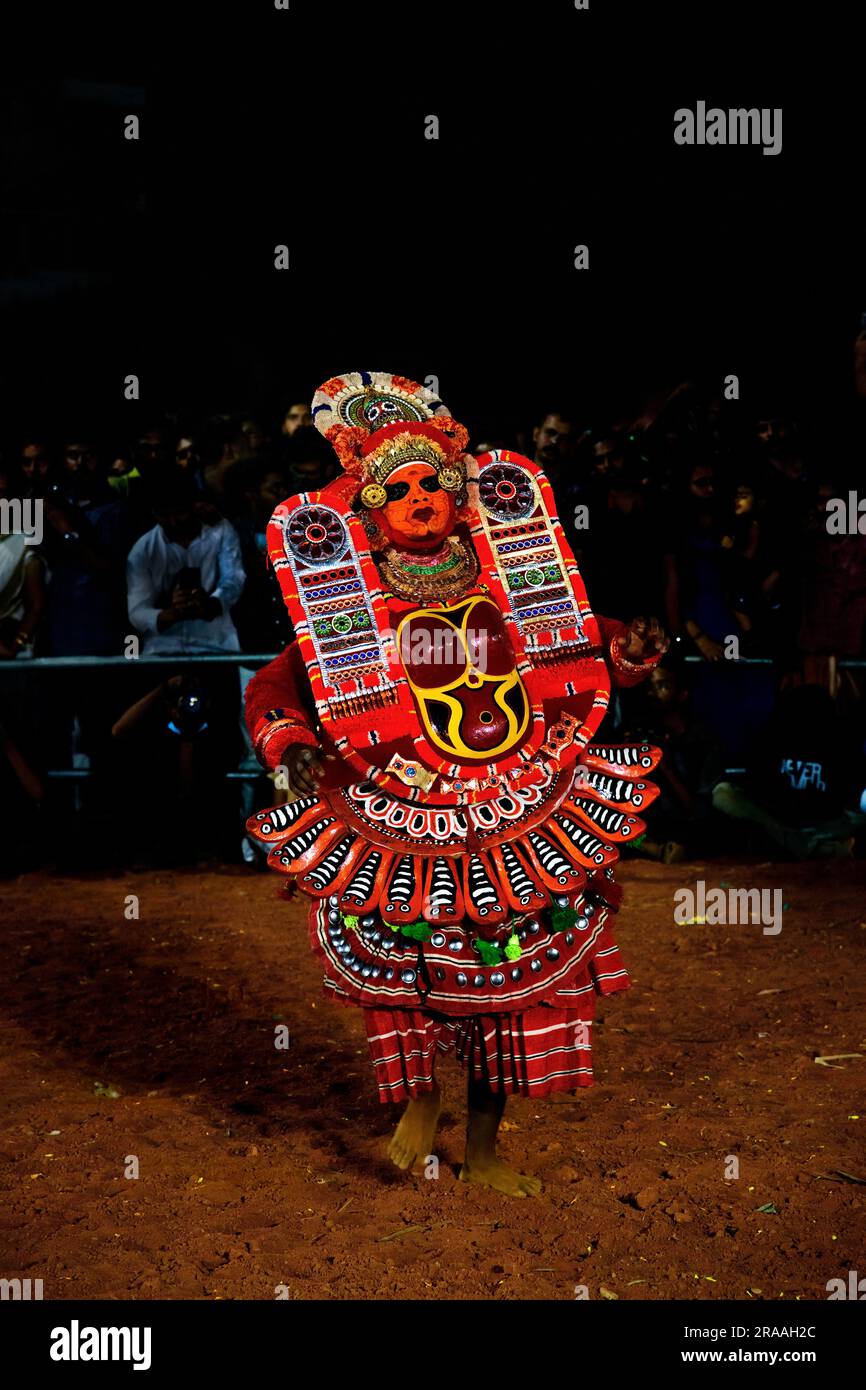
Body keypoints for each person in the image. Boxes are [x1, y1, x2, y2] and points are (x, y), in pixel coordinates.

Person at [244, 371, 667, 1197]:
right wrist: (293, 747)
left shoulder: (509, 577)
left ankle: (484, 1146)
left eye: (434, 481)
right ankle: (421, 1095)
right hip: (401, 808)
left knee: (513, 975)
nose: (420, 498)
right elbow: (273, 691)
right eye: (396, 488)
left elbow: (581, 644)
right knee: (406, 964)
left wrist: (630, 648)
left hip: (518, 801)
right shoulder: (350, 610)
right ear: (367, 505)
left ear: (459, 490)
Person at [126, 472, 245, 655]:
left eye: (180, 513)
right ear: (153, 512)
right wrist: (173, 613)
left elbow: (233, 580)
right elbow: (137, 611)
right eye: (164, 515)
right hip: (163, 649)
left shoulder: (221, 532)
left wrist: (210, 604)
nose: (173, 522)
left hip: (217, 645)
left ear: (193, 506)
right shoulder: (143, 550)